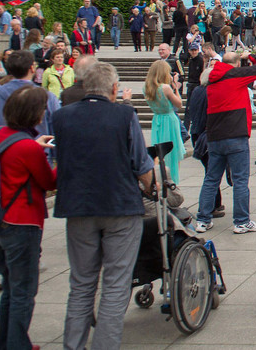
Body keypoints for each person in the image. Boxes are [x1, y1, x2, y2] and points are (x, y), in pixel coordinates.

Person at [53, 62, 155, 350]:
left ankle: (73, 345)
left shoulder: (62, 117)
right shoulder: (123, 115)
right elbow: (141, 164)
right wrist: (150, 186)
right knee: (115, 284)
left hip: (78, 207)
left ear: (85, 87)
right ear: (113, 89)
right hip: (120, 205)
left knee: (82, 283)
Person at [0, 86, 58, 350]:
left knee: (11, 292)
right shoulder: (28, 148)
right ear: (34, 114)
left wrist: (34, 147)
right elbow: (49, 181)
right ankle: (17, 346)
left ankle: (5, 343)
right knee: (24, 292)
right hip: (21, 224)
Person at [195, 52, 256, 234]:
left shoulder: (211, 79)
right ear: (237, 63)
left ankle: (203, 220)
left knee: (211, 179)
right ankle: (242, 221)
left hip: (214, 135)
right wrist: (250, 55)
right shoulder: (235, 75)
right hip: (235, 134)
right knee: (240, 180)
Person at [144, 59, 185, 183]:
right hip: (169, 119)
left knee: (160, 151)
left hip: (157, 119)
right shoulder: (165, 87)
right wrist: (176, 88)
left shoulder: (146, 87)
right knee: (173, 153)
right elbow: (179, 104)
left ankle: (161, 178)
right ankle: (173, 179)